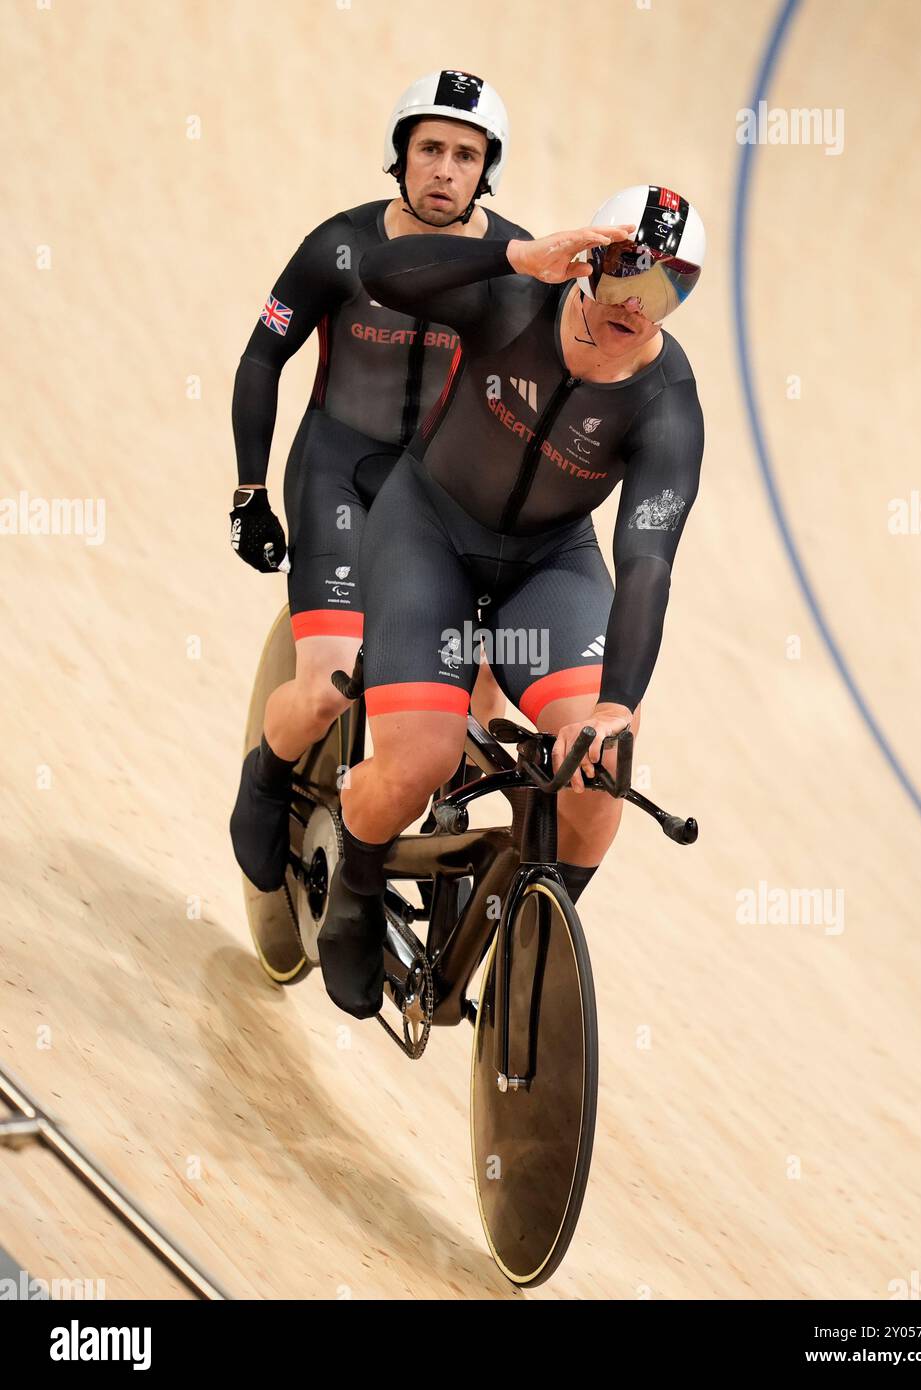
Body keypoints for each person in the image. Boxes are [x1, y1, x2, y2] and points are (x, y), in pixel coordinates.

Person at [317, 184, 707, 1019]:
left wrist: (615, 707)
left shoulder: (667, 402)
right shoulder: (514, 296)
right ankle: (353, 874)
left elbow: (647, 565)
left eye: (669, 288)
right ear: (588, 261)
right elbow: (381, 275)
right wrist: (509, 256)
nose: (638, 307)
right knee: (419, 763)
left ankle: (525, 953)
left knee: (600, 773)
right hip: (430, 534)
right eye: (626, 275)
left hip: (548, 568)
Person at [228, 70, 531, 893]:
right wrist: (251, 492)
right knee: (328, 684)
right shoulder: (340, 246)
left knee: (481, 705)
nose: (444, 169)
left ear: (486, 170)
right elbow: (264, 357)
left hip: (439, 498)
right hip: (341, 468)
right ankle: (266, 776)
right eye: (429, 148)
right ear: (399, 159)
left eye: (465, 155)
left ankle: (434, 824)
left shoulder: (515, 263)